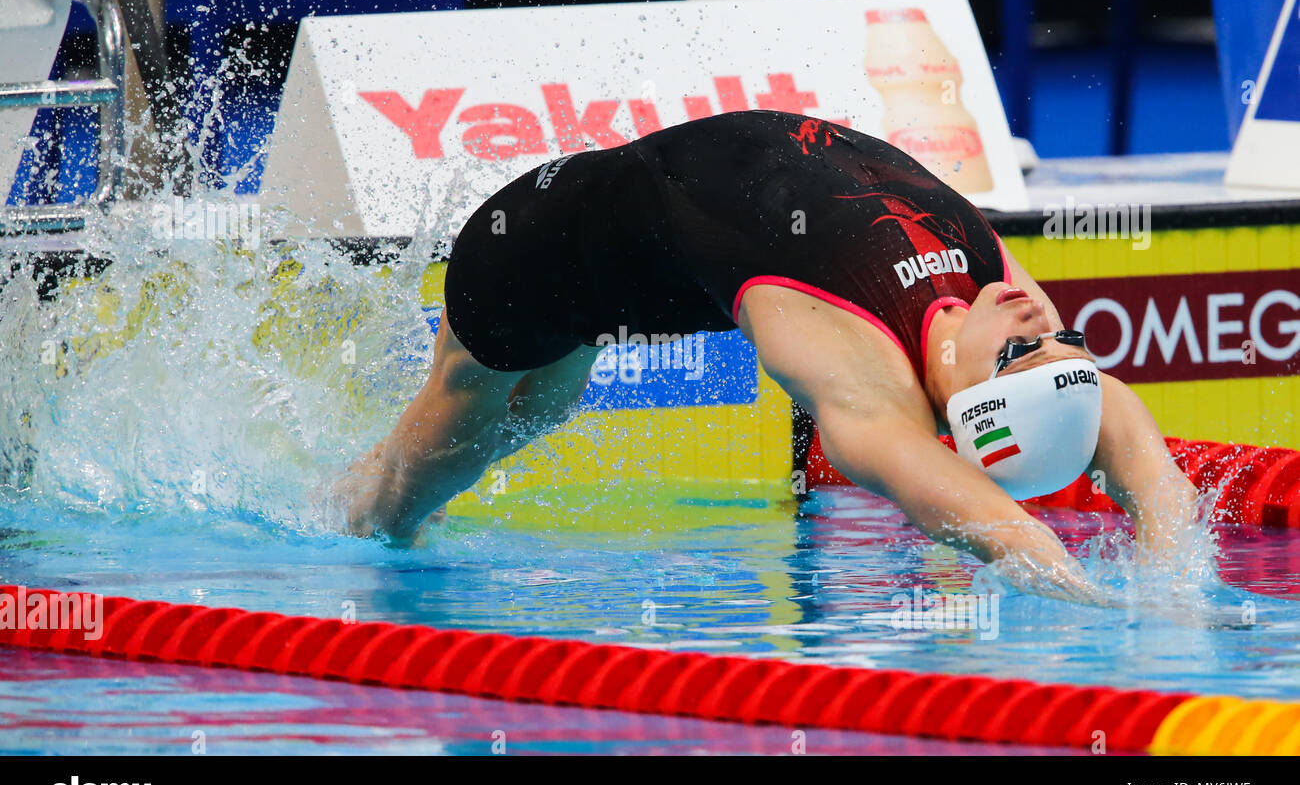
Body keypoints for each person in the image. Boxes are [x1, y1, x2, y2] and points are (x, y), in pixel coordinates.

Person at [337, 109, 1196, 605]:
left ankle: (354, 516)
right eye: (1064, 345)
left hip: (535, 266)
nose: (1037, 314)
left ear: (973, 400)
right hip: (557, 216)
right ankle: (364, 489)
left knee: (408, 503)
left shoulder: (866, 389)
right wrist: (1172, 595)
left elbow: (994, 525)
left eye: (1023, 351)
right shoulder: (989, 300)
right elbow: (1144, 466)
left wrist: (1091, 604)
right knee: (534, 406)